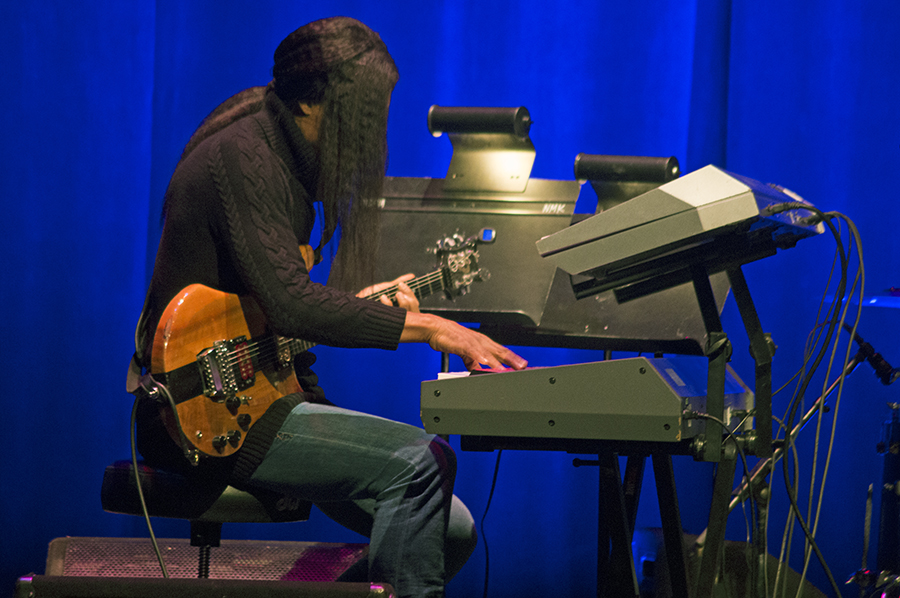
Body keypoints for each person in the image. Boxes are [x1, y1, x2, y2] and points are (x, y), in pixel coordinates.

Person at [130, 16, 527, 598]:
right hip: (196, 413)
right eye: (361, 116)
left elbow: (274, 316)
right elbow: (293, 307)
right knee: (420, 463)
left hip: (261, 397)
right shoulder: (245, 158)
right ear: (313, 106)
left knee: (453, 531)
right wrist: (431, 327)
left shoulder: (289, 163)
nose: (370, 136)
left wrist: (358, 309)